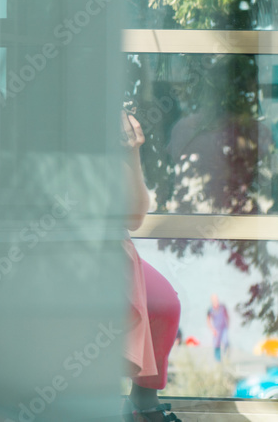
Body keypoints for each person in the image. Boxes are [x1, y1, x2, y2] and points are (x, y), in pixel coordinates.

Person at [120, 110, 183, 422]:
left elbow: (133, 217)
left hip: (110, 245)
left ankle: (142, 403)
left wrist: (131, 153)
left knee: (164, 305)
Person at [206, 294, 231, 362]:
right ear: (212, 301)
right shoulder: (210, 309)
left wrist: (228, 324)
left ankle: (226, 356)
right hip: (216, 329)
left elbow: (227, 315)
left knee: (226, 341)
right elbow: (208, 320)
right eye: (215, 299)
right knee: (216, 344)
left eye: (217, 299)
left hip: (223, 327)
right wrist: (212, 329)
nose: (216, 301)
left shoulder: (222, 307)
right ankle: (218, 360)